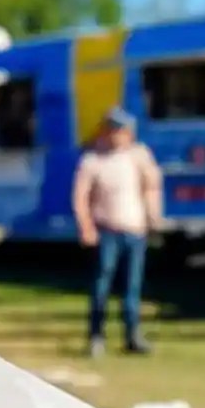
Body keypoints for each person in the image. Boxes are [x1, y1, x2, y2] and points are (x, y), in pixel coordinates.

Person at [72, 107, 163, 358]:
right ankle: (96, 336)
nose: (117, 136)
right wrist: (86, 226)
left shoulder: (139, 156)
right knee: (102, 283)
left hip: (135, 230)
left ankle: (132, 336)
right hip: (106, 230)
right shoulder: (93, 160)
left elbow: (151, 187)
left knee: (132, 287)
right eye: (113, 130)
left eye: (122, 131)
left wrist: (153, 219)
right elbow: (81, 196)